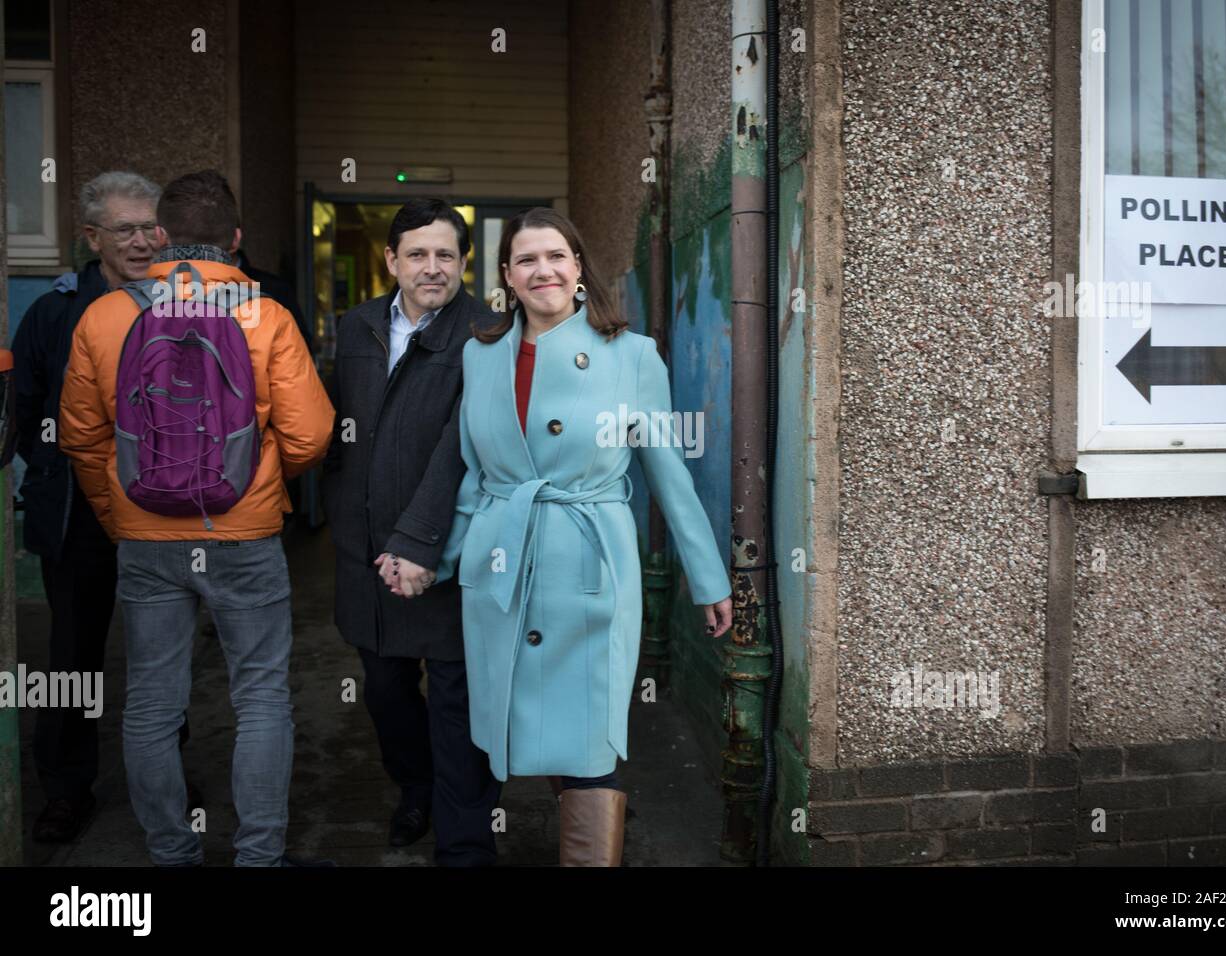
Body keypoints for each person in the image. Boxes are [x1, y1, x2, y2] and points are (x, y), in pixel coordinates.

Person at [430, 208, 734, 866]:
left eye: (556, 257)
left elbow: (667, 472)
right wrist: (437, 560)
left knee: (588, 734)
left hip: (590, 563)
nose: (543, 270)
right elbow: (473, 474)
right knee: (511, 724)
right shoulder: (480, 356)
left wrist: (707, 577)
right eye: (527, 260)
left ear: (577, 270)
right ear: (507, 276)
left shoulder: (631, 356)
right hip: (501, 565)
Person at [59, 169, 334, 866]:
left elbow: (82, 438)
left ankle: (172, 854)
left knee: (152, 702)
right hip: (243, 535)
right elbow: (310, 435)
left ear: (160, 237)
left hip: (145, 538)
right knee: (262, 697)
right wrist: (261, 487)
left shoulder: (104, 315)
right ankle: (258, 857)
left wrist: (120, 513)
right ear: (236, 240)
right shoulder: (263, 314)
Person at [13, 171, 200, 842]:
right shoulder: (54, 314)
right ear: (92, 238)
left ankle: (167, 779)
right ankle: (67, 788)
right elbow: (26, 414)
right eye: (125, 229)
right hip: (78, 515)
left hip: (169, 514)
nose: (145, 240)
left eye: (153, 226)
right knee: (71, 658)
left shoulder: (190, 303)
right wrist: (57, 472)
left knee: (165, 654)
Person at [322, 199, 501, 864]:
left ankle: (465, 838)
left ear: (462, 263)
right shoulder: (359, 324)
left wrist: (420, 540)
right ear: (391, 261)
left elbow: (466, 448)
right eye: (418, 254)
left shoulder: (488, 332)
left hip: (451, 556)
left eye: (446, 255)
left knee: (458, 705)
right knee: (387, 693)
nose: (433, 267)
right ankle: (415, 789)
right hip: (364, 556)